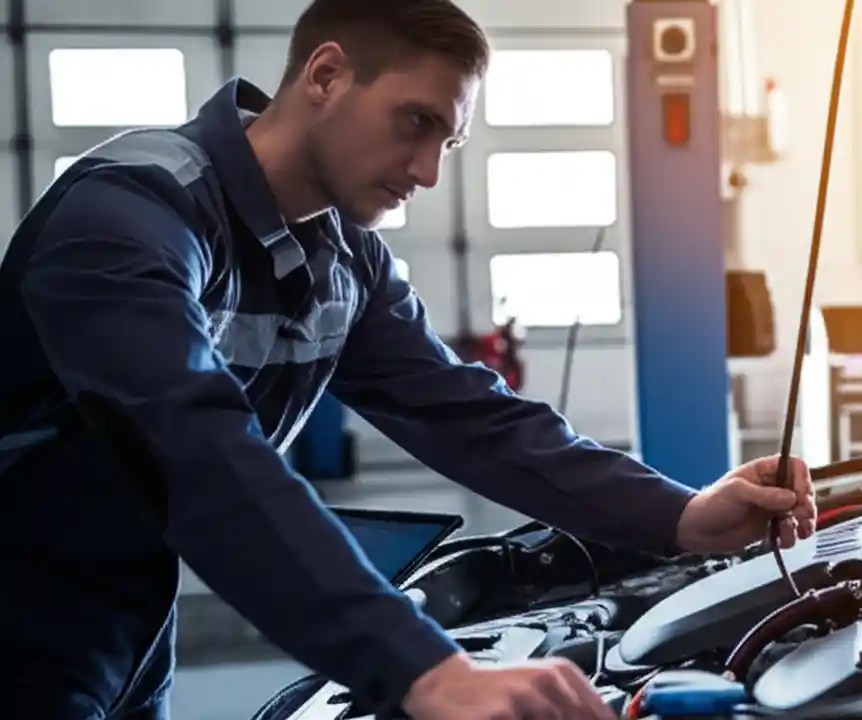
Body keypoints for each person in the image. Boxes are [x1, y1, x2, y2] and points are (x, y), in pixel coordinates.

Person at [0, 1, 816, 718]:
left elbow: (474, 418)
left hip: (134, 618)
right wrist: (425, 670)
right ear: (325, 76)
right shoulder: (127, 215)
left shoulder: (343, 262)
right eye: (416, 121)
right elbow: (198, 455)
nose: (428, 172)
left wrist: (675, 514)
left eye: (449, 141)